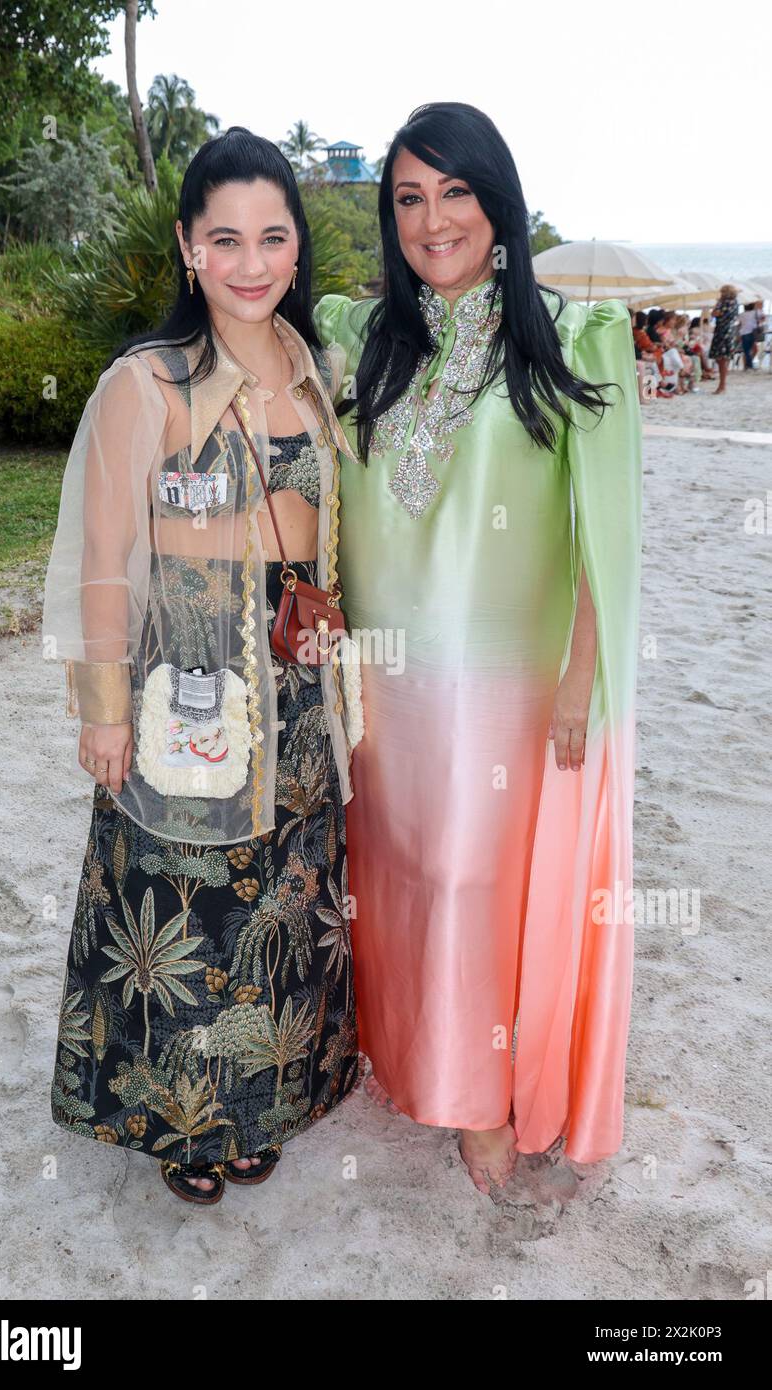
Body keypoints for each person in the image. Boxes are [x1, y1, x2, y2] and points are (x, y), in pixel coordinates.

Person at [314, 102, 642, 1195]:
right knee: (398, 868)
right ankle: (407, 1055)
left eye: (453, 191)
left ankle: (481, 1098)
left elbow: (604, 529)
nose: (431, 218)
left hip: (506, 687)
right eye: (407, 197)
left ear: (496, 202)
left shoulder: (574, 341)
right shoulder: (360, 338)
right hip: (385, 684)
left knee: (473, 874)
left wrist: (580, 676)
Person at [42, 129, 365, 1206]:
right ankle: (183, 1123)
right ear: (188, 246)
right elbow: (101, 562)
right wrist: (101, 709)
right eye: (224, 238)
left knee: (279, 905)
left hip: (299, 691)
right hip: (192, 693)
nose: (249, 261)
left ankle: (258, 1107)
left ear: (295, 247)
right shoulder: (149, 384)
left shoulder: (315, 372)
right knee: (186, 902)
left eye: (272, 236)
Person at [708, 284, 741, 393]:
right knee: (723, 358)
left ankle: (722, 385)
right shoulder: (735, 303)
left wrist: (717, 305)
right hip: (729, 331)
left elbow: (714, 313)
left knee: (721, 358)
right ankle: (722, 385)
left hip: (723, 331)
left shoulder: (725, 303)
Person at [739, 301, 759, 370]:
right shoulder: (755, 312)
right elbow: (762, 317)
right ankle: (749, 365)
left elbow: (740, 324)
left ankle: (747, 365)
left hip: (744, 333)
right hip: (752, 333)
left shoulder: (741, 314)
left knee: (746, 351)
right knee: (754, 349)